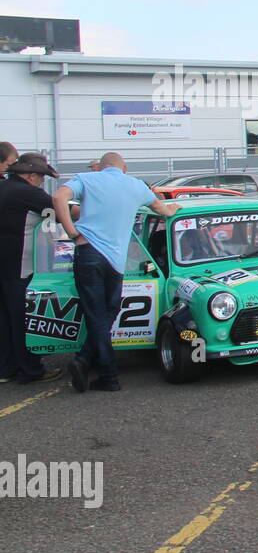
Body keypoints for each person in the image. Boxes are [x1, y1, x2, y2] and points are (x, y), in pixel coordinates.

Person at [52, 153, 177, 392]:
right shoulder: (136, 185)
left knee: (97, 314)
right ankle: (104, 374)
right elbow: (163, 210)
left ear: (100, 167)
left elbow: (59, 197)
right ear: (124, 168)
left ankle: (92, 365)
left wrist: (71, 230)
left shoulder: (87, 179)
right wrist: (174, 208)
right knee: (107, 312)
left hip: (87, 252)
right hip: (116, 261)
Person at [0, 154, 61, 384]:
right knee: (21, 320)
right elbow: (61, 213)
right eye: (42, 178)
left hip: (4, 265)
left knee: (4, 321)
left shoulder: (4, 187)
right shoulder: (28, 192)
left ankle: (6, 369)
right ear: (32, 175)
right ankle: (31, 369)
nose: (43, 183)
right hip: (19, 266)